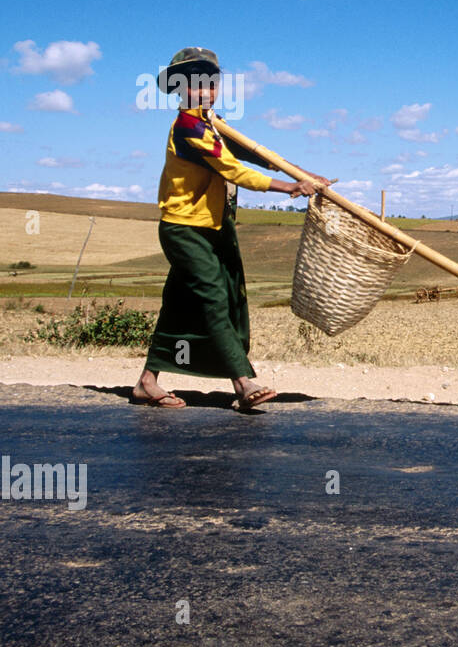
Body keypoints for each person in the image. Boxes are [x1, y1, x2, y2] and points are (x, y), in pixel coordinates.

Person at [131, 47, 334, 409]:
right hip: (184, 229)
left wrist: (302, 173)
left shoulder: (213, 123)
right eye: (195, 85)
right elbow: (232, 169)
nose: (205, 92)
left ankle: (148, 381)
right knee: (214, 298)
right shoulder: (188, 128)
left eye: (211, 84)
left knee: (180, 305)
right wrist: (290, 188)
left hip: (214, 228)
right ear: (181, 90)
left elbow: (252, 153)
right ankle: (243, 382)